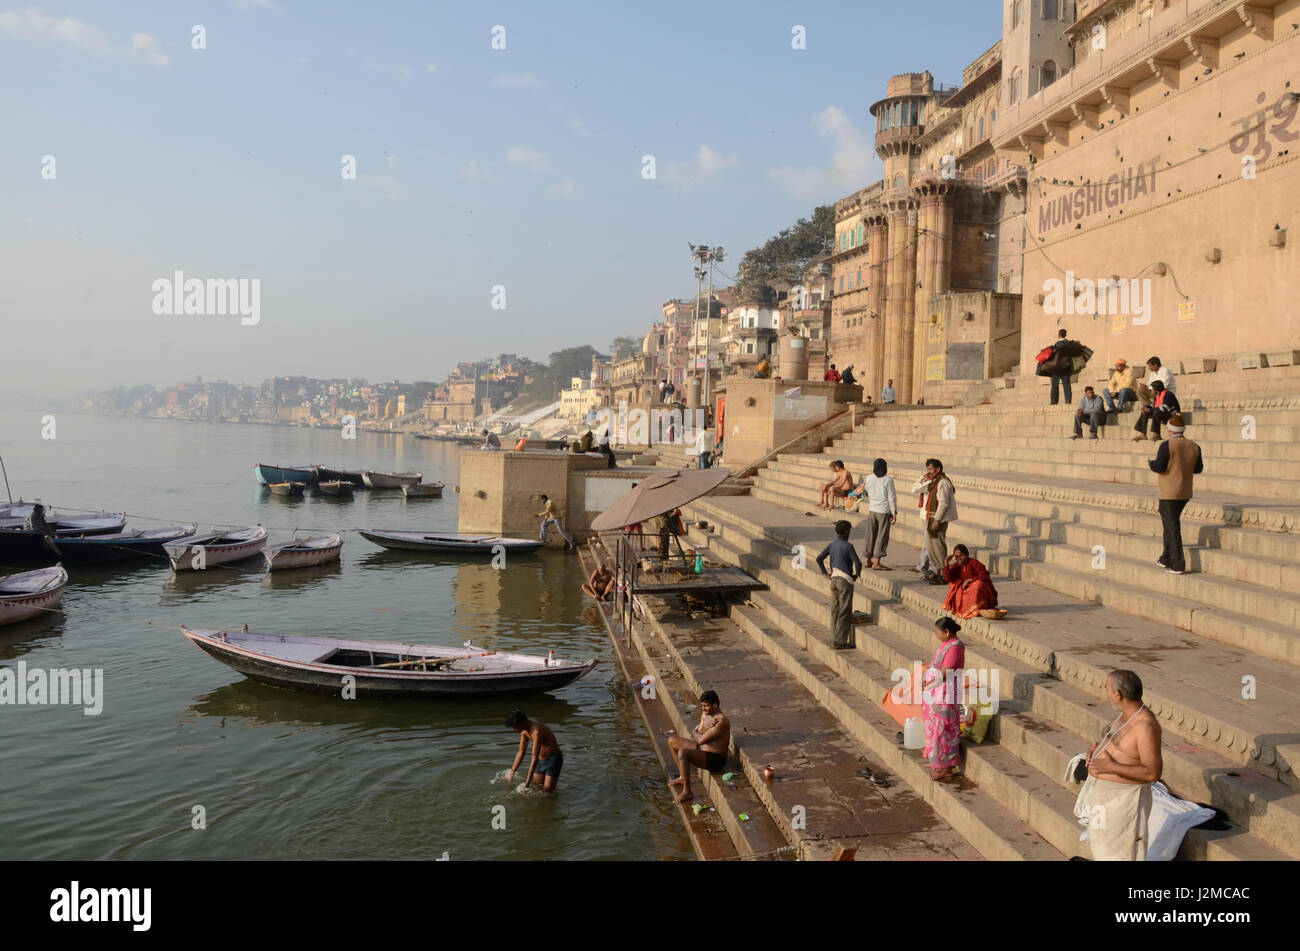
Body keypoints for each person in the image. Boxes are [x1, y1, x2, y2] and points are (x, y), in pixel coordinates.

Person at [1085, 670, 1163, 860]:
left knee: (1122, 854)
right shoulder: (1125, 715)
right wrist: (1094, 751)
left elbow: (1153, 773)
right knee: (1101, 849)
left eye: (1107, 689)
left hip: (1124, 803)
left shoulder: (1145, 726)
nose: (1107, 694)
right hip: (1102, 799)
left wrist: (1110, 767)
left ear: (1118, 694)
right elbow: (1119, 747)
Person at [1148, 413, 1202, 575]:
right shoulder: (1194, 446)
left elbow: (1159, 467)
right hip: (1185, 491)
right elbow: (1198, 469)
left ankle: (1178, 563)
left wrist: (1151, 464)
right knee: (1169, 524)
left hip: (1169, 491)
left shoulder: (1167, 445)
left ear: (1170, 430)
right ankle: (1165, 557)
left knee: (1172, 526)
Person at [667, 690, 731, 803]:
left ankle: (687, 791)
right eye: (702, 705)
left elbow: (700, 739)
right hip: (702, 750)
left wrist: (697, 732)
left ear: (715, 704)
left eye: (706, 706)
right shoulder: (705, 714)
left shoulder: (721, 721)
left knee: (683, 752)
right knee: (672, 740)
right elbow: (698, 732)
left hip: (715, 759)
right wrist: (699, 731)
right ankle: (682, 777)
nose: (703, 709)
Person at [922, 617, 966, 781]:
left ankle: (945, 768)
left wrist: (929, 685)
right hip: (938, 692)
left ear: (947, 632)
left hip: (946, 694)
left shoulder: (955, 648)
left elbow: (945, 672)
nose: (937, 635)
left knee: (943, 730)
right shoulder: (947, 644)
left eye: (938, 632)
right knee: (935, 728)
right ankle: (938, 762)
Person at [816, 519, 862, 650]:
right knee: (845, 611)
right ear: (847, 531)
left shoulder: (832, 544)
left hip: (834, 578)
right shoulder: (848, 546)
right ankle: (840, 642)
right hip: (845, 580)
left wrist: (825, 573)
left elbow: (819, 558)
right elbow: (858, 563)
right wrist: (856, 575)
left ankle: (833, 638)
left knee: (835, 610)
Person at [504, 709, 564, 792]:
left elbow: (534, 758)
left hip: (553, 759)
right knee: (537, 787)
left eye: (515, 727)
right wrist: (511, 772)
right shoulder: (524, 731)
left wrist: (526, 785)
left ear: (522, 723)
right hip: (541, 760)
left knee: (547, 791)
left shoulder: (536, 731)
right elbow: (521, 752)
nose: (514, 730)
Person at [920, 458, 957, 585]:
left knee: (938, 547)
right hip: (932, 518)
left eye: (930, 469)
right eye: (927, 469)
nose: (928, 472)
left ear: (938, 469)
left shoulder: (943, 483)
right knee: (932, 547)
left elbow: (943, 503)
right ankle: (937, 572)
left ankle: (943, 574)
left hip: (938, 519)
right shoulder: (934, 481)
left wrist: (937, 520)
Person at [941, 545, 1004, 619]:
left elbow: (985, 576)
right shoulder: (956, 565)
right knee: (954, 585)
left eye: (961, 556)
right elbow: (948, 579)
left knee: (978, 584)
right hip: (966, 593)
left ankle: (977, 608)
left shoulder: (974, 563)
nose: (959, 559)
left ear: (967, 555)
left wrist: (970, 580)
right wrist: (946, 563)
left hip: (983, 594)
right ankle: (967, 609)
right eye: (957, 557)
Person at [862, 458, 897, 570]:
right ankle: (876, 562)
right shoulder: (888, 480)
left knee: (870, 535)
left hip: (872, 510)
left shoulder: (869, 478)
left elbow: (866, 490)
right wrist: (894, 513)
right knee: (882, 536)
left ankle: (868, 560)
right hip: (884, 511)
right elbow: (892, 498)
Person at [909, 470, 935, 574]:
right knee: (927, 541)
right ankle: (924, 565)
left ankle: (926, 566)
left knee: (928, 542)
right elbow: (914, 488)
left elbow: (915, 489)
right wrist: (922, 478)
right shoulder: (927, 482)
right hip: (925, 515)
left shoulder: (931, 483)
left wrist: (921, 478)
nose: (928, 472)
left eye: (930, 469)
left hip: (929, 515)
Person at [1049, 328, 1073, 405]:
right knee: (1066, 384)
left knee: (1055, 385)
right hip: (1066, 367)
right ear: (1065, 335)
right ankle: (1068, 400)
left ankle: (1054, 401)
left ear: (1059, 335)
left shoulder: (1056, 345)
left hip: (1057, 368)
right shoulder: (1069, 344)